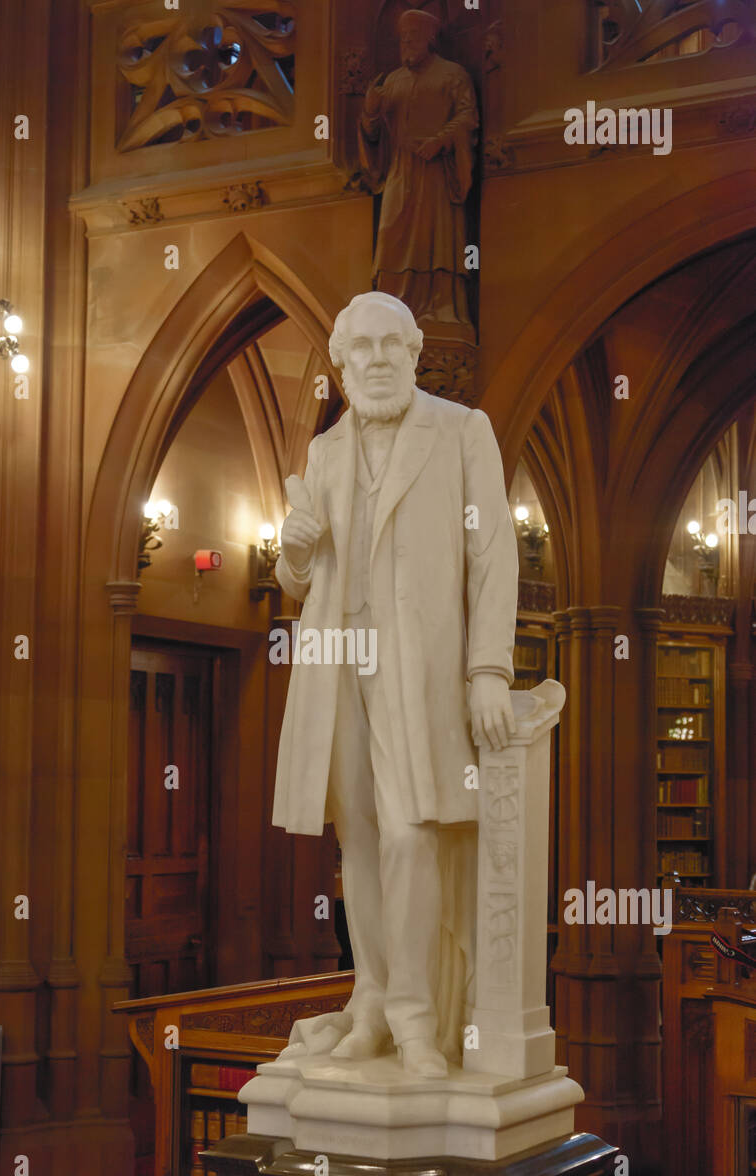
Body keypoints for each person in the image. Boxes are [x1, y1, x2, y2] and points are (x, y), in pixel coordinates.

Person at [273, 291, 518, 1076]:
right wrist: (297, 553)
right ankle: (371, 998)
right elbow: (296, 581)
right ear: (340, 369)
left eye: (391, 345)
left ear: (414, 354)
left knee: (413, 833)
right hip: (338, 667)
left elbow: (493, 558)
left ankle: (414, 1015)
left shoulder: (460, 432)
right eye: (361, 350)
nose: (377, 360)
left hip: (421, 670)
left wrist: (488, 668)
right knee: (362, 840)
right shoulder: (327, 453)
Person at [359, 8, 479, 327]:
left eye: (412, 37)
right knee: (391, 236)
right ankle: (392, 309)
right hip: (400, 171)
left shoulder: (452, 74)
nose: (406, 44)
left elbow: (468, 117)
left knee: (435, 239)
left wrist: (441, 140)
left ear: (429, 39)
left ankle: (438, 308)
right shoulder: (393, 82)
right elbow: (375, 134)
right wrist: (371, 111)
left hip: (437, 173)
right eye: (403, 39)